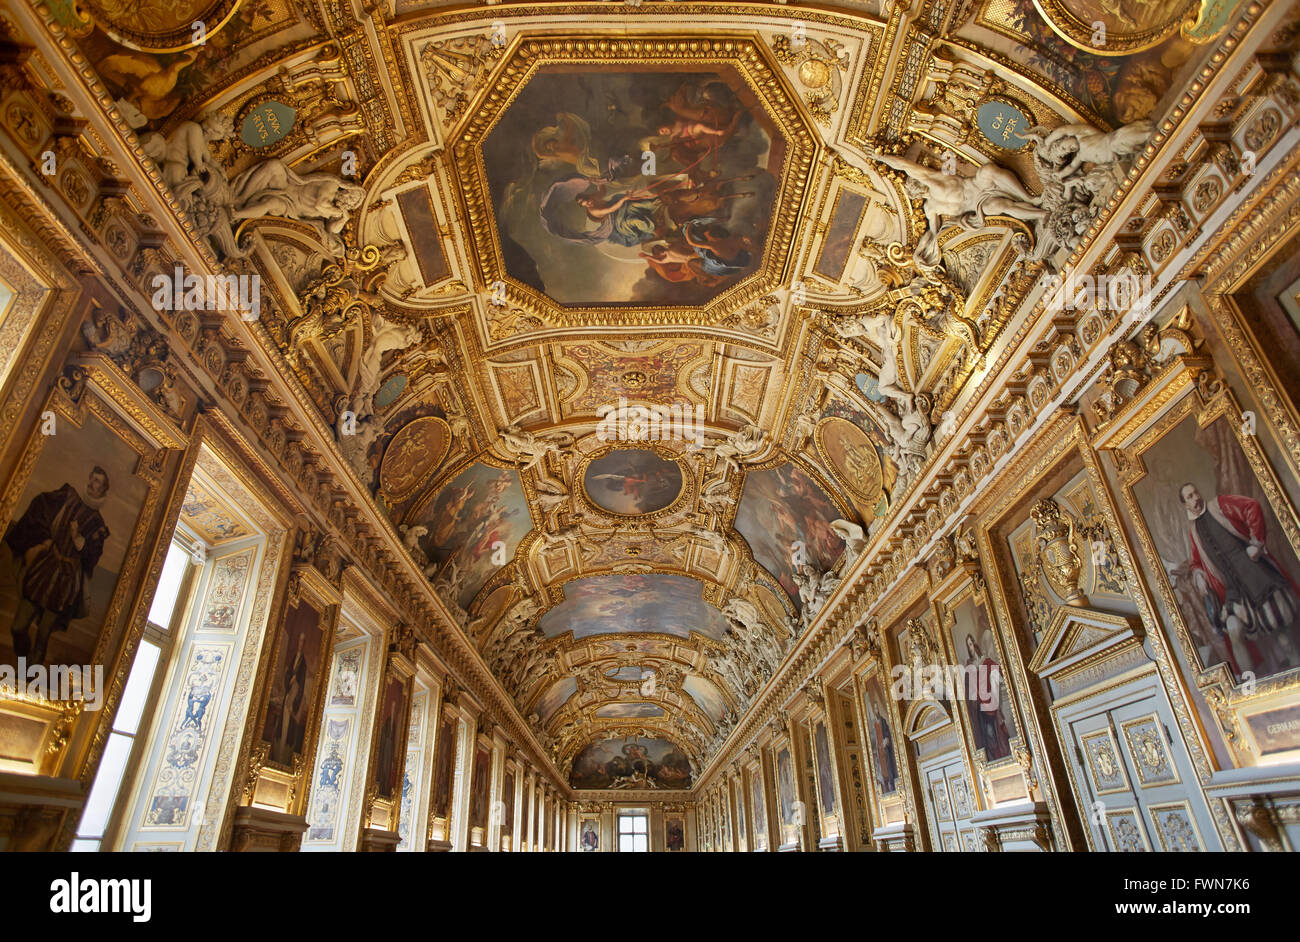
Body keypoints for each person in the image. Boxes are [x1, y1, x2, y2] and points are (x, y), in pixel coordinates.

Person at [1180, 482, 1300, 677]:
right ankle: (1250, 689)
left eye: (1196, 492)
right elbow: (1195, 561)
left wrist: (1257, 543)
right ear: (1185, 505)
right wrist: (1198, 574)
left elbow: (1252, 506)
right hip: (1235, 591)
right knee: (1234, 630)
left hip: (1256, 577)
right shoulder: (1194, 531)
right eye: (1190, 497)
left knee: (1281, 632)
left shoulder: (1219, 505)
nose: (1196, 498)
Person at [4, 467, 111, 664]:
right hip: (46, 567)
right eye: (92, 478)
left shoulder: (98, 525)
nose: (91, 484)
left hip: (67, 581)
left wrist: (78, 539)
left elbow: (92, 558)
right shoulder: (68, 497)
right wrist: (44, 538)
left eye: (97, 482)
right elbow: (42, 504)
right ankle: (22, 660)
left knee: (43, 636)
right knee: (18, 627)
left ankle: (27, 677)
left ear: (103, 490)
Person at [963, 634, 1011, 759]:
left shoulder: (986, 661)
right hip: (980, 705)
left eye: (972, 643)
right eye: (969, 645)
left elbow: (998, 673)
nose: (971, 647)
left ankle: (1002, 755)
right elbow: (968, 687)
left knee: (995, 732)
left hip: (990, 702)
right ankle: (994, 757)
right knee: (987, 734)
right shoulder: (970, 665)